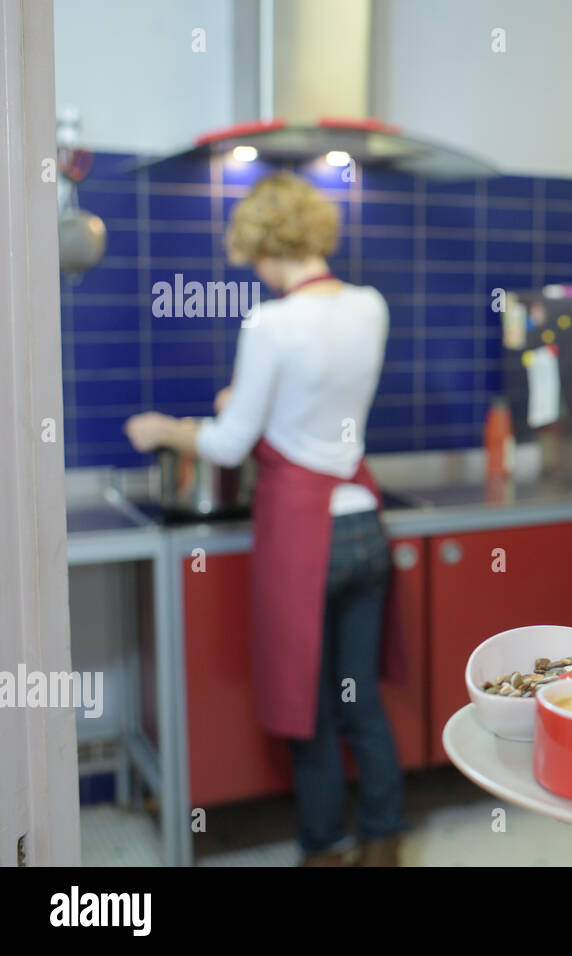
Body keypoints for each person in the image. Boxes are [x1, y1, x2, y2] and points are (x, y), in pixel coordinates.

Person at [125, 171, 408, 866]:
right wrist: (252, 404)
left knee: (304, 707)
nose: (251, 267)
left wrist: (164, 428)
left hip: (305, 538)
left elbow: (226, 444)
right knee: (360, 699)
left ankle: (322, 849)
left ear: (265, 246)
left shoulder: (271, 323)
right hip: (365, 525)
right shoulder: (370, 306)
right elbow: (324, 401)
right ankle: (384, 840)